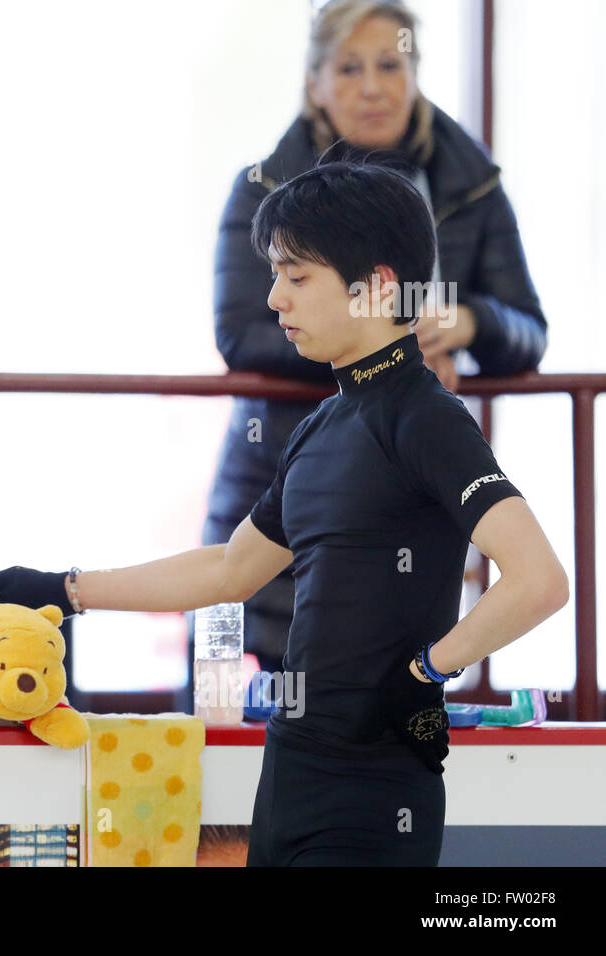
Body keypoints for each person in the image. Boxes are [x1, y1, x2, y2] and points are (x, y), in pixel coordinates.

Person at [0, 163, 567, 865]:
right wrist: (67, 589)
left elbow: (539, 580)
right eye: (274, 276)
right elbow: (232, 569)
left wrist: (423, 674)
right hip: (289, 770)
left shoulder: (427, 421)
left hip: (376, 788)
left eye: (297, 278)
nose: (273, 298)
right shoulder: (321, 427)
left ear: (378, 286)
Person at [203, 0, 546, 677]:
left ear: (415, 73)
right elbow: (241, 333)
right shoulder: (263, 188)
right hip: (280, 462)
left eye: (391, 64)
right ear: (314, 84)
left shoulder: (472, 184)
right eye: (349, 67)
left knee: (390, 675)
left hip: (407, 480)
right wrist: (392, 348)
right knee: (254, 688)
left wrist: (470, 321)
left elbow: (528, 329)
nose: (372, 86)